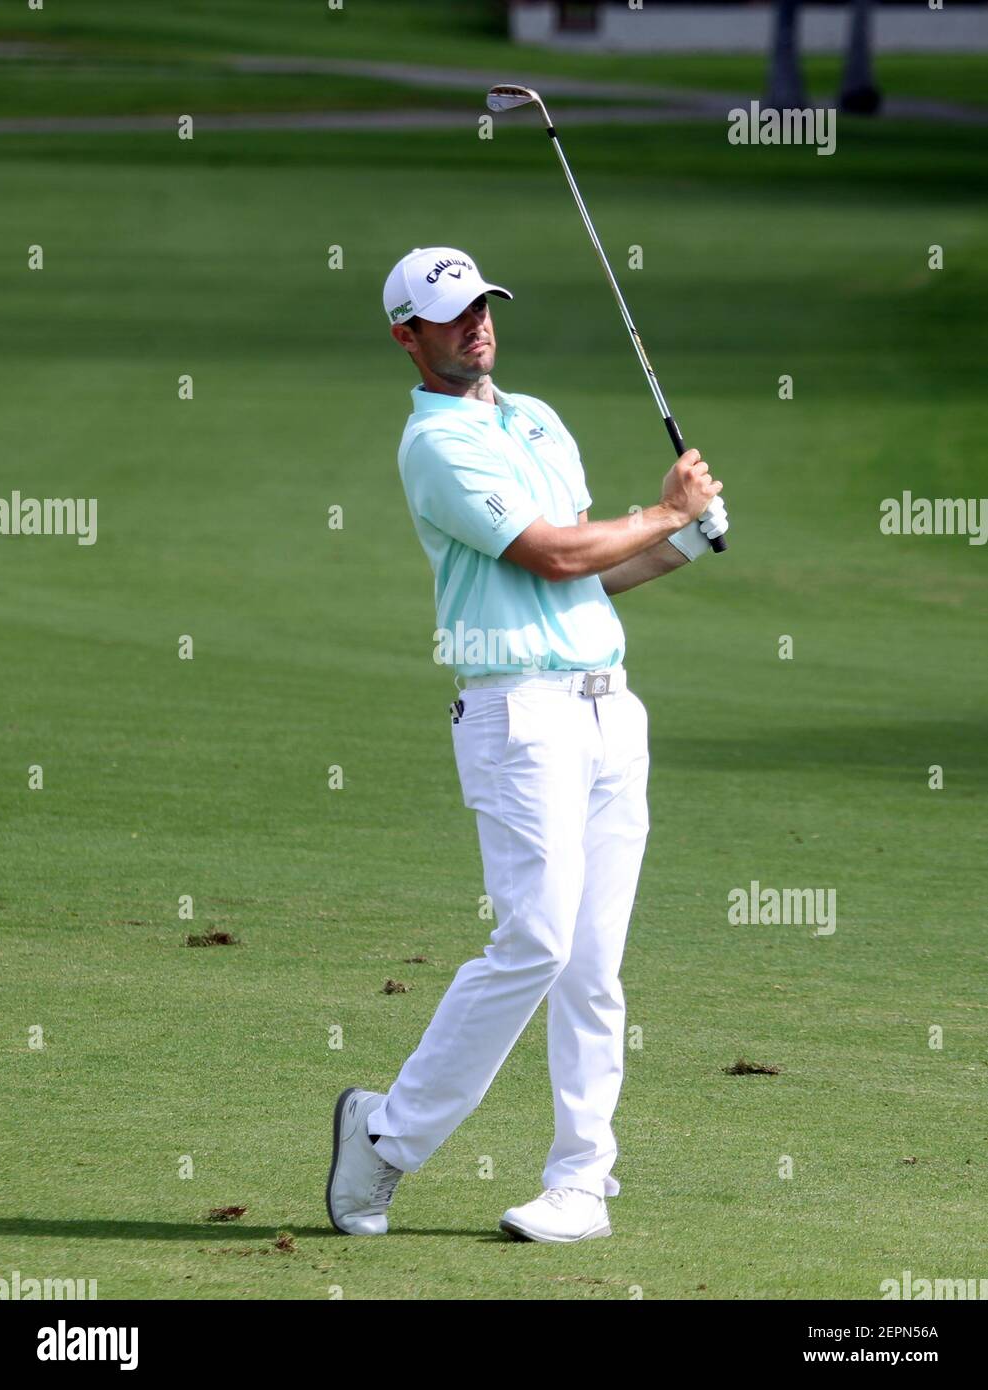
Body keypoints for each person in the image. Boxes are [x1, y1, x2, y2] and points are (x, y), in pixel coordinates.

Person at [325, 246, 727, 1243]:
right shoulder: (435, 446)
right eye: (449, 312)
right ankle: (382, 1139)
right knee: (536, 939)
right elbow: (546, 551)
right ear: (406, 336)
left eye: (481, 304)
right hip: (515, 714)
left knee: (591, 962)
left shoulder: (537, 418)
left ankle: (580, 1182)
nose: (475, 323)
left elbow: (581, 573)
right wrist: (664, 509)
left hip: (607, 712)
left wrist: (678, 541)